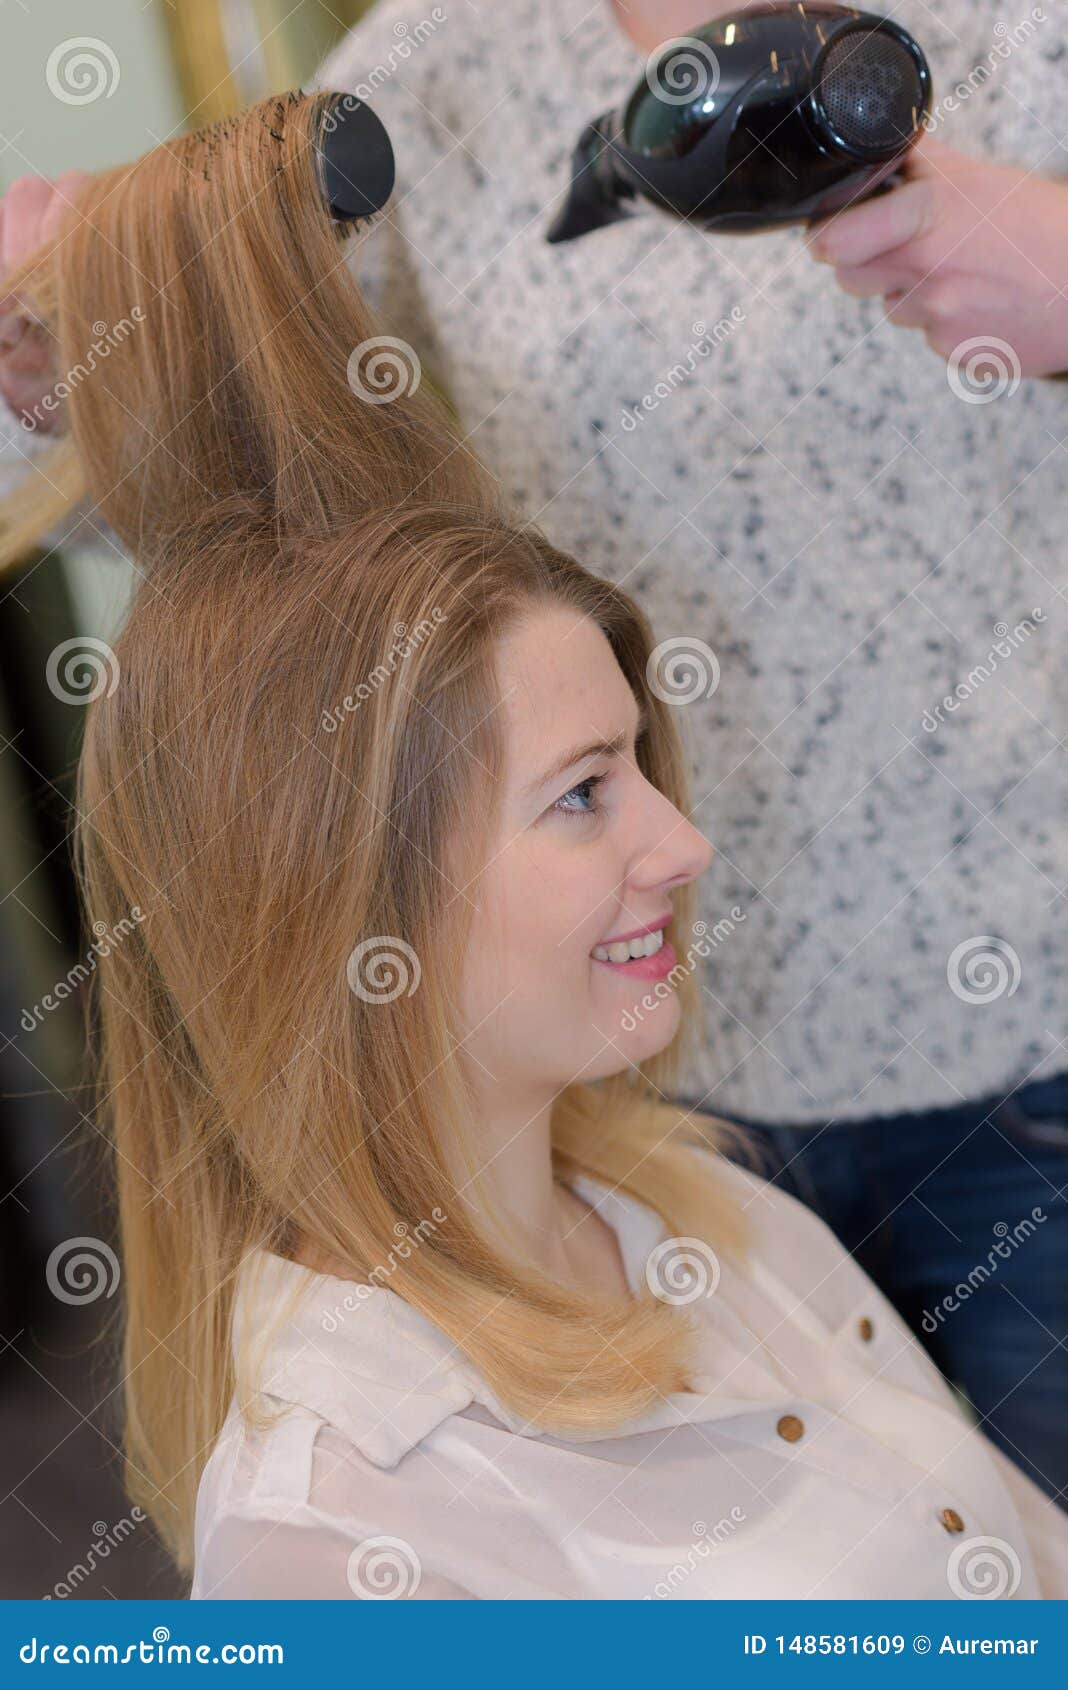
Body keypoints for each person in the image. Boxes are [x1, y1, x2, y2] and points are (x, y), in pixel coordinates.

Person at [2, 90, 1066, 1602]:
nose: (691, 843)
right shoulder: (345, 1530)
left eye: (637, 769)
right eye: (583, 792)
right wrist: (63, 368)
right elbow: (244, 516)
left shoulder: (697, 1210)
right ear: (337, 889)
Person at [299, 0, 1068, 1506]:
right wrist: (51, 349)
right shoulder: (432, 71)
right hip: (654, 1078)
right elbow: (165, 433)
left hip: (1037, 1032)